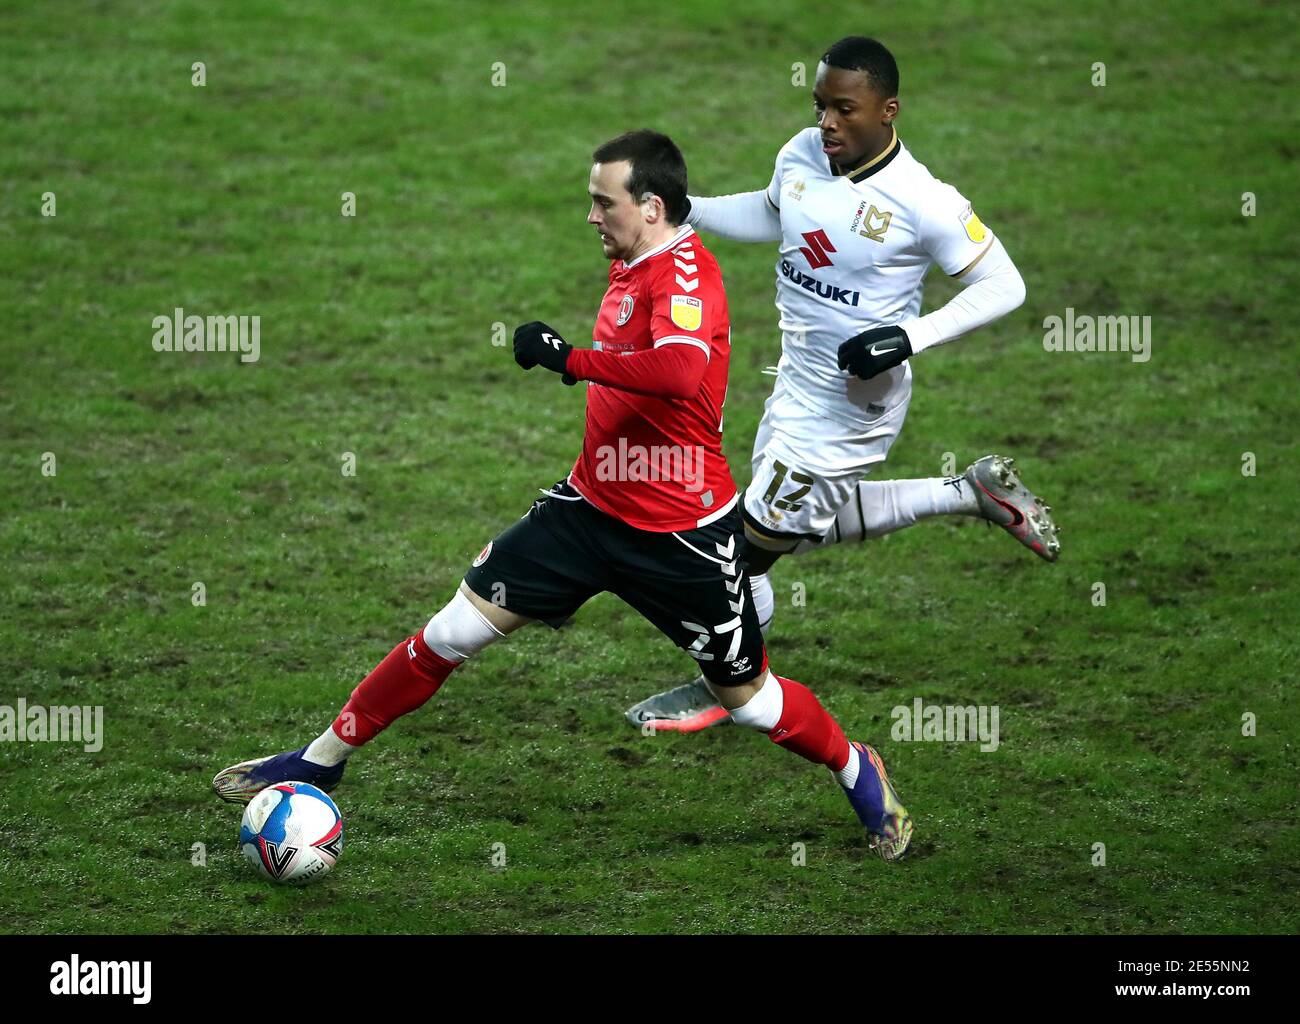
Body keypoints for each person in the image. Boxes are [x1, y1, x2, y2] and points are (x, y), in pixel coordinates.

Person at [213, 129, 913, 861]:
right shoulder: (630, 262)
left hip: (682, 537)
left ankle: (856, 766)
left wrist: (567, 360)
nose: (590, 216)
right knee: (449, 632)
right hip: (587, 513)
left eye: (601, 202)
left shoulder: (686, 278)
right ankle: (320, 759)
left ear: (649, 205)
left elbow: (677, 372)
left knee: (751, 703)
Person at [626, 37, 1060, 733]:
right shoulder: (802, 153)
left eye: (843, 109)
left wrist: (910, 335)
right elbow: (775, 216)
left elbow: (1005, 285)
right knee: (788, 529)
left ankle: (730, 684)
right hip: (793, 381)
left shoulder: (924, 201)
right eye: (820, 105)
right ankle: (967, 493)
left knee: (737, 549)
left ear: (888, 112)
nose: (827, 122)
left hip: (853, 408)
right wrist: (690, 209)